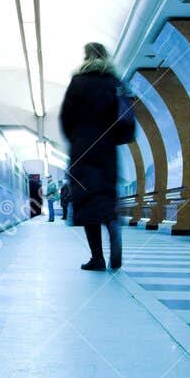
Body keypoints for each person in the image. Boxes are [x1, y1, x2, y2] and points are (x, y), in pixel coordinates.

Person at [59, 42, 128, 271]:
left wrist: (76, 138)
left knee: (88, 200)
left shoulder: (79, 82)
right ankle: (113, 227)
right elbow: (125, 119)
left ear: (86, 56)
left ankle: (97, 258)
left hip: (83, 149)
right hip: (107, 150)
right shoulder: (115, 83)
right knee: (106, 195)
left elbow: (66, 117)